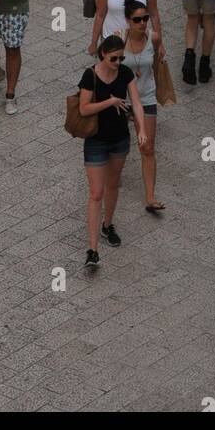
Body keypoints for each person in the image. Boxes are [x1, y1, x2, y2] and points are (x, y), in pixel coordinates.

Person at [77, 34, 146, 269]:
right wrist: (110, 102)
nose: (118, 62)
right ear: (103, 56)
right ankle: (92, 249)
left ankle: (108, 224)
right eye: (114, 58)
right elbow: (84, 109)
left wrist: (142, 130)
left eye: (121, 58)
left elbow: (136, 103)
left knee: (113, 185)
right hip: (96, 140)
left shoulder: (125, 73)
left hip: (119, 139)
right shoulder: (90, 76)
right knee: (96, 193)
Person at [122, 0, 166, 213]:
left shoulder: (154, 38)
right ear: (128, 21)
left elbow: (156, 63)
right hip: (122, 100)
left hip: (146, 97)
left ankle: (150, 197)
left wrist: (157, 87)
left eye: (145, 19)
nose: (142, 23)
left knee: (147, 147)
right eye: (137, 20)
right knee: (118, 148)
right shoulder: (118, 39)